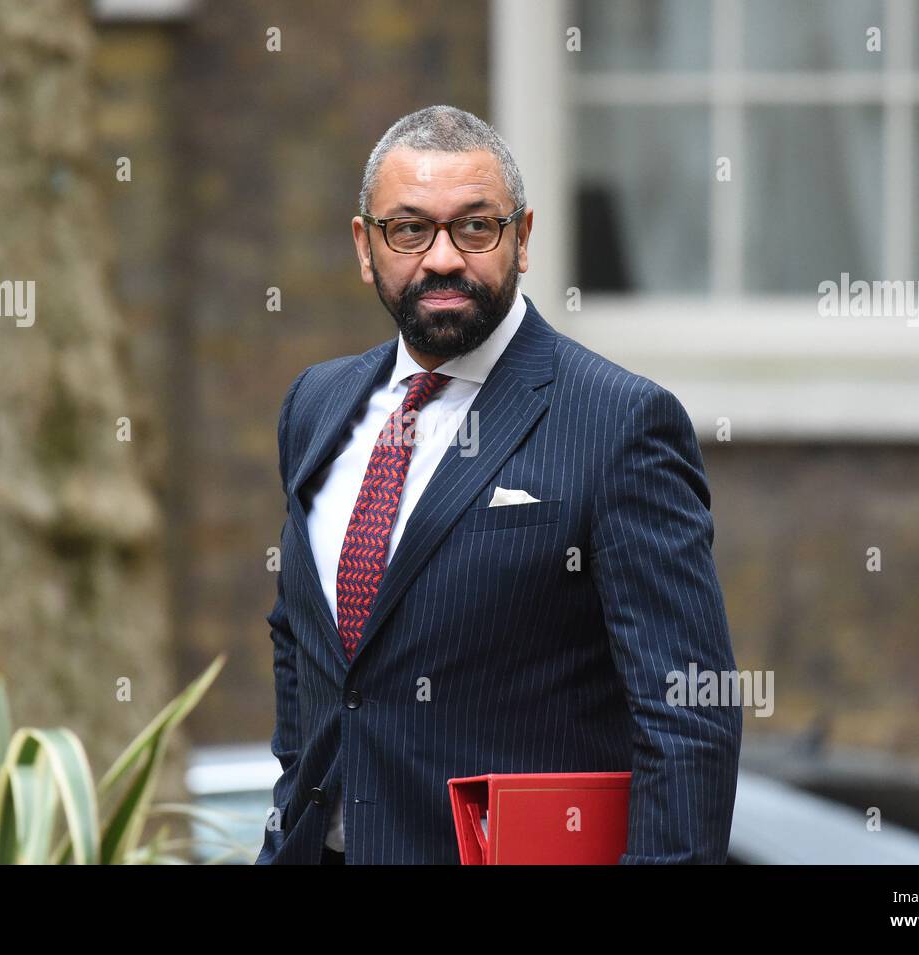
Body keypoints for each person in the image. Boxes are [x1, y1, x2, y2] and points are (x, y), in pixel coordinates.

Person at [256, 105, 741, 865]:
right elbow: (301, 638)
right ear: (365, 245)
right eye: (409, 229)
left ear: (522, 238)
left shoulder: (619, 422)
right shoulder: (313, 406)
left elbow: (688, 718)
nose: (442, 258)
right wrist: (292, 808)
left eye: (475, 227)